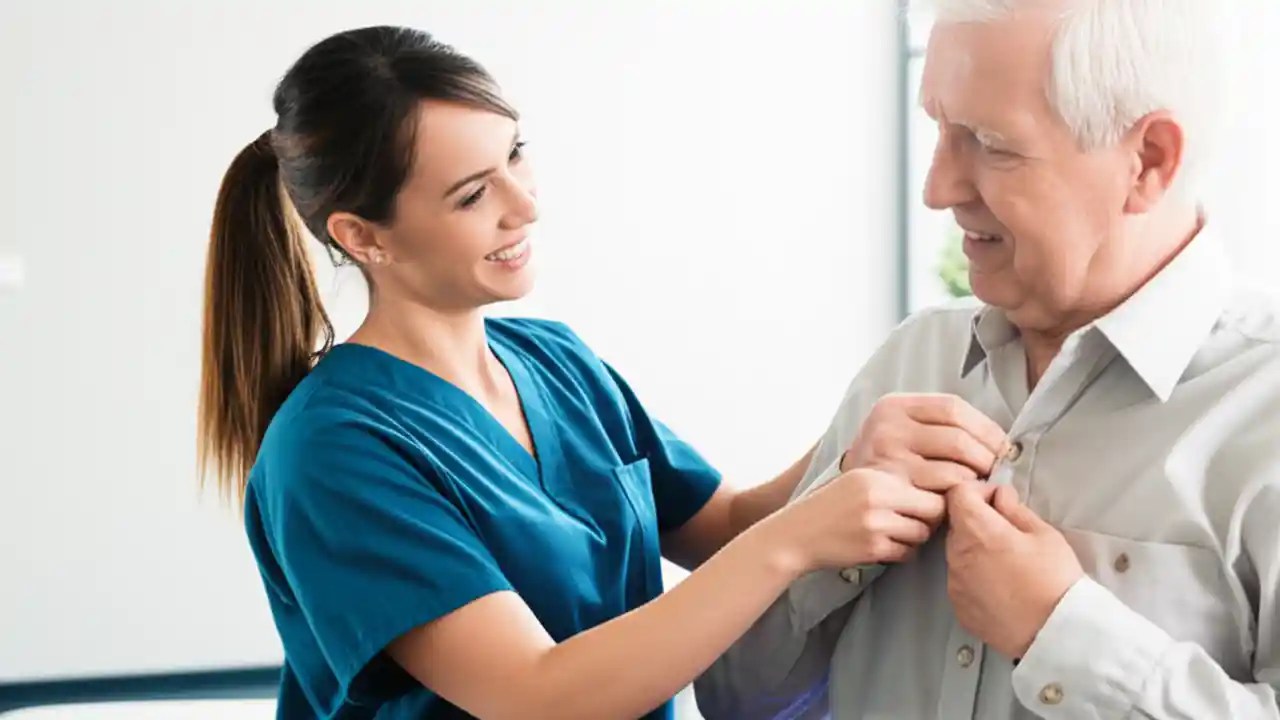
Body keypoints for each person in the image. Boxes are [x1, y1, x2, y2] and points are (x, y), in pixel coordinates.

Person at [196, 26, 1008, 720]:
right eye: (473, 195)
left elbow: (726, 523)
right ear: (363, 236)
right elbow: (534, 695)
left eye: (515, 154)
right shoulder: (334, 450)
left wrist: (859, 440)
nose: (525, 205)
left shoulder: (556, 363)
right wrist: (797, 540)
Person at [696, 0, 1280, 718]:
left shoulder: (1266, 412)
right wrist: (825, 541)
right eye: (940, 130)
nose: (936, 189)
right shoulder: (912, 362)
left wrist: (1063, 634)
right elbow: (734, 700)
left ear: (1149, 160)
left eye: (990, 144)